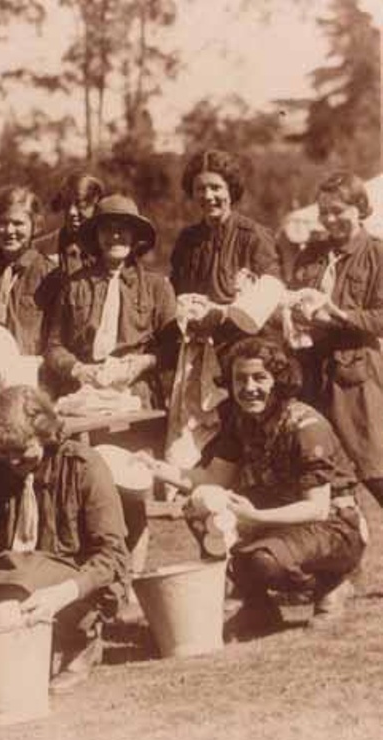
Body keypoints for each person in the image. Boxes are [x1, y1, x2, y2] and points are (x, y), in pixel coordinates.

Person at [166, 337, 365, 636]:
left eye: (259, 378)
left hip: (333, 526)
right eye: (240, 379)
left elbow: (316, 507)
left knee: (262, 561)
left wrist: (255, 517)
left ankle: (332, 582)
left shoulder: (307, 426)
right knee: (199, 510)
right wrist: (158, 470)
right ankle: (259, 608)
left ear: (280, 381)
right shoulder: (241, 421)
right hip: (281, 515)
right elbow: (212, 480)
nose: (249, 388)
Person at [0, 385, 129, 692]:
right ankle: (36, 650)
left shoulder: (84, 466)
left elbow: (113, 557)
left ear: (45, 434)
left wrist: (62, 594)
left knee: (24, 577)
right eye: (3, 453)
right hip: (25, 576)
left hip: (75, 582)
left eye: (22, 451)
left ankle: (82, 644)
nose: (13, 462)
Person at [166, 149, 282, 475]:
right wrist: (187, 312)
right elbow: (176, 292)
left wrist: (224, 313)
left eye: (216, 187)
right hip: (199, 355)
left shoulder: (253, 237)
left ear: (231, 189)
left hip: (244, 357)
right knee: (198, 445)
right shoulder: (188, 241)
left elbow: (271, 296)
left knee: (245, 445)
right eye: (201, 189)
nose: (209, 196)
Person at [287, 171, 383, 509]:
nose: (330, 219)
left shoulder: (377, 255)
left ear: (359, 207)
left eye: (338, 210)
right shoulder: (311, 255)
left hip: (357, 380)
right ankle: (344, 557)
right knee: (324, 474)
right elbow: (293, 296)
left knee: (375, 470)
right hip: (312, 377)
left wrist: (339, 315)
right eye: (324, 211)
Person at [45, 193, 177, 408]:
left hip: (135, 390)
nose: (115, 236)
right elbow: (54, 345)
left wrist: (145, 361)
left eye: (123, 229)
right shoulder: (75, 286)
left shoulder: (157, 287)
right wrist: (77, 368)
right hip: (84, 389)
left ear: (134, 236)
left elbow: (174, 345)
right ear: (96, 236)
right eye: (106, 229)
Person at [0, 186, 59, 354]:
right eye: (3, 223)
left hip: (28, 367)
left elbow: (55, 335)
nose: (9, 231)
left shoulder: (49, 274)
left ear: (35, 226)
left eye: (18, 223)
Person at [48, 172, 104, 276]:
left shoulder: (110, 247)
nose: (71, 212)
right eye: (67, 204)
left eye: (80, 204)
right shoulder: (45, 248)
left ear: (96, 206)